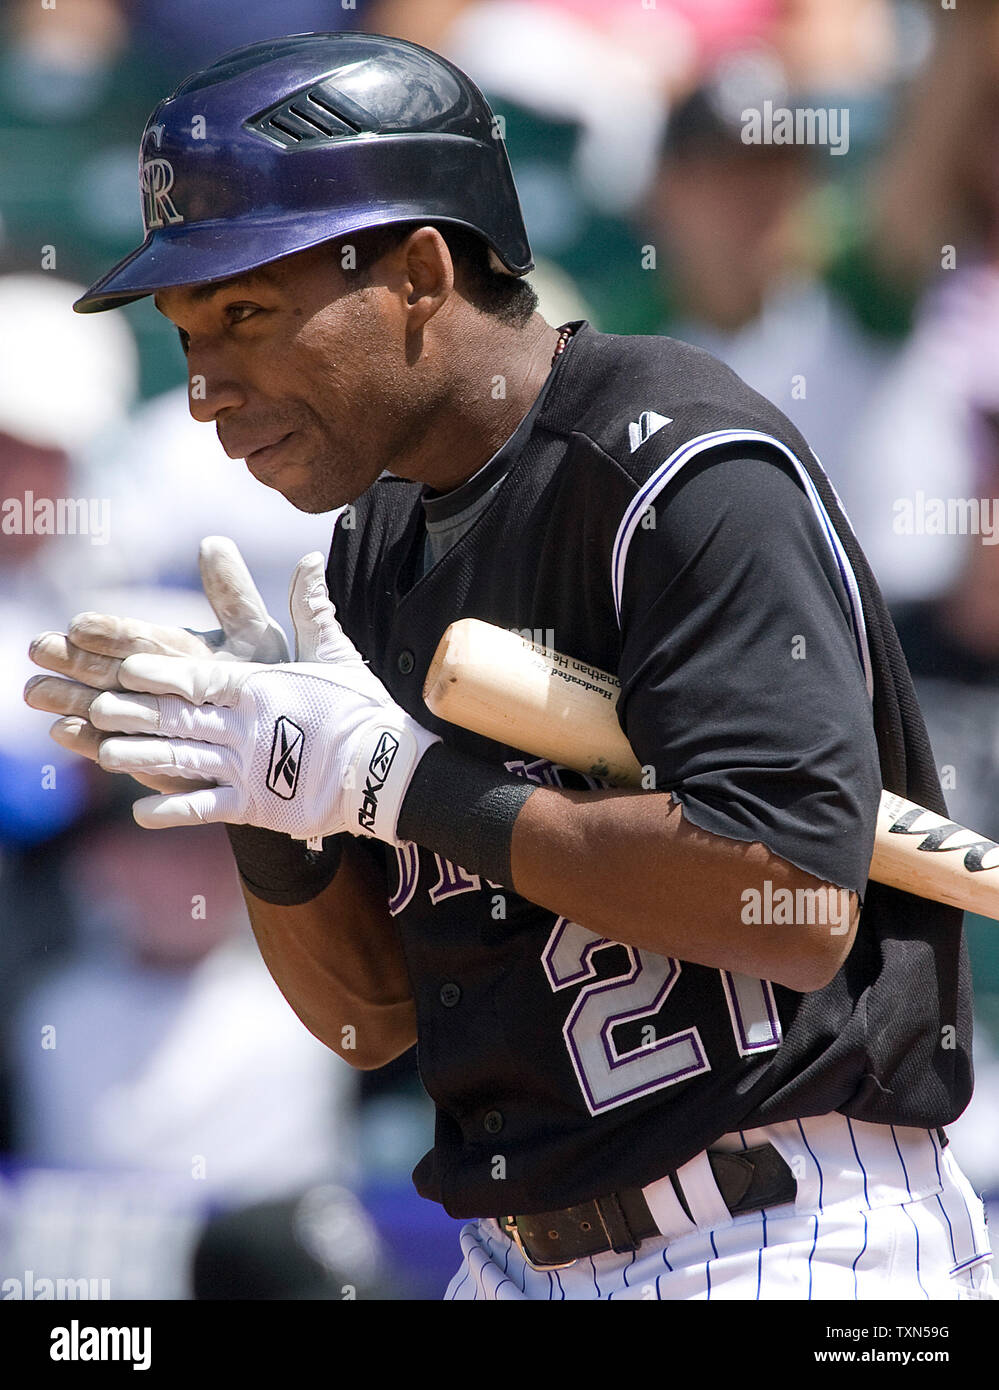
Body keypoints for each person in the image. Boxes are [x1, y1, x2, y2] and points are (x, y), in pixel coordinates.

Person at [24, 31, 993, 1301]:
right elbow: (371, 1016)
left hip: (785, 1236)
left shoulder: (675, 463)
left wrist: (399, 784)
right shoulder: (371, 552)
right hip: (512, 1254)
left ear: (421, 271)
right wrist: (270, 805)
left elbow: (796, 902)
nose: (205, 388)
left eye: (246, 314)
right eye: (188, 332)